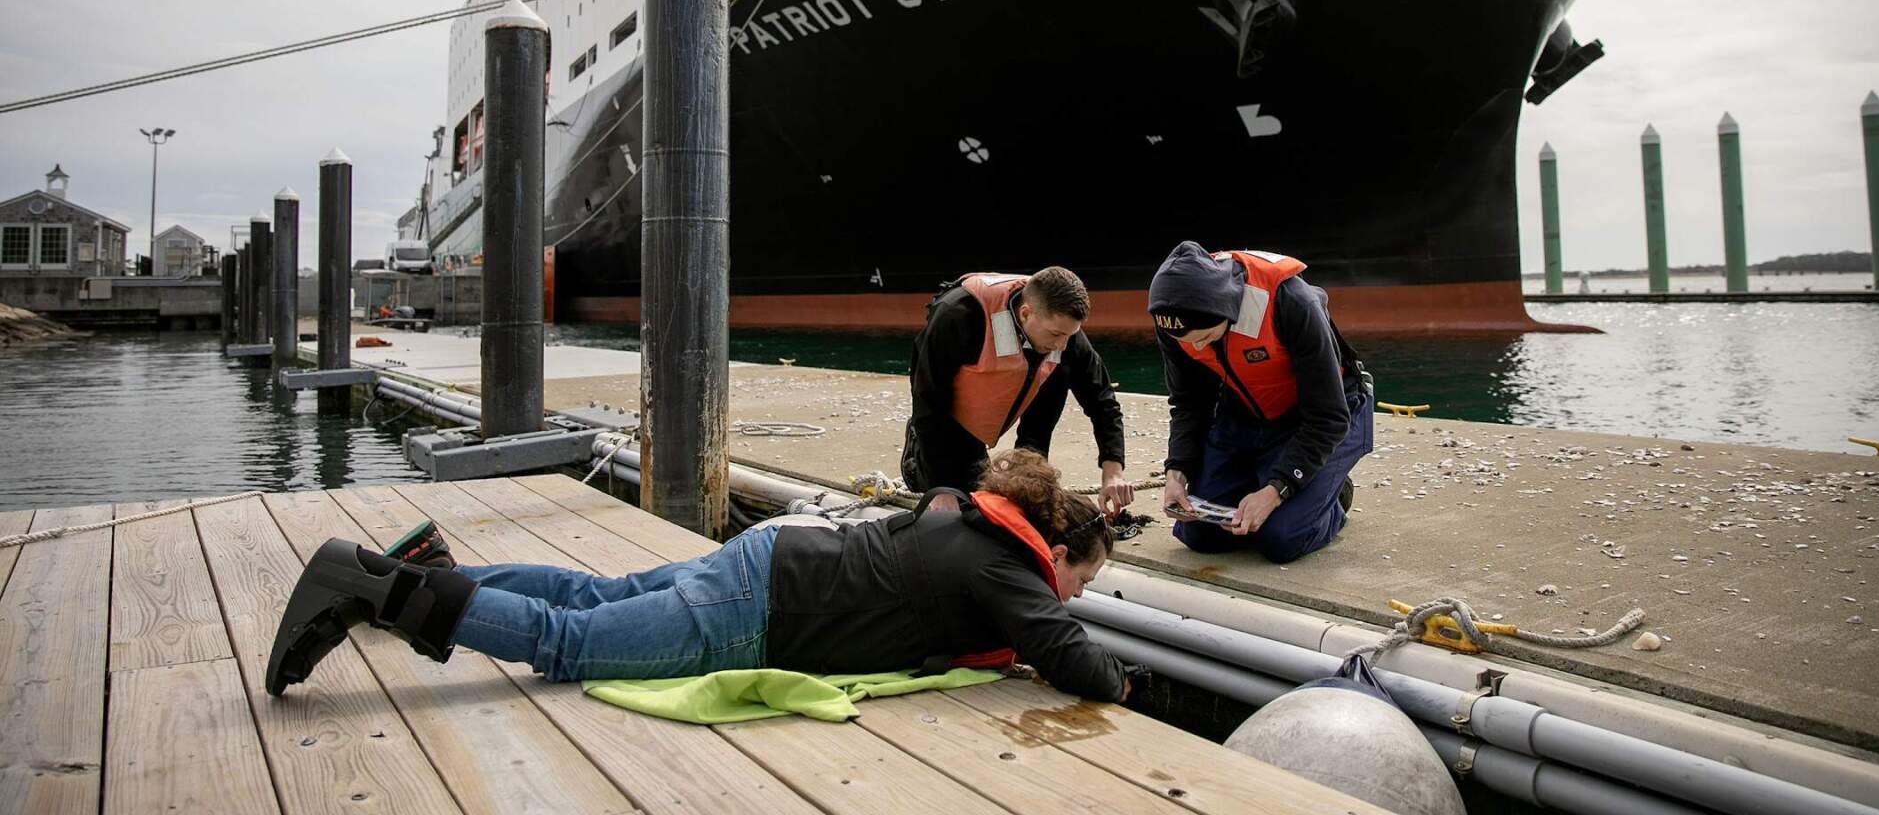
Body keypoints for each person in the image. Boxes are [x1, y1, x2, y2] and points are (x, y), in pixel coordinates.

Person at [264, 450, 1129, 704]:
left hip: (768, 560)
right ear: (1055, 550)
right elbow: (1073, 658)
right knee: (570, 644)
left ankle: (416, 574)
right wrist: (1120, 681)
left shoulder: (970, 518)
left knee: (595, 595)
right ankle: (377, 589)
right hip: (757, 614)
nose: (1075, 596)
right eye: (1081, 580)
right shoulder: (1011, 568)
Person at [1148, 241, 1374, 564]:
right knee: (1199, 532)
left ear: (1225, 309)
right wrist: (1177, 471)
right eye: (1186, 341)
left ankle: (1335, 496)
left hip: (1326, 414)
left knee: (1281, 539)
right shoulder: (1175, 323)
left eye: (1205, 337)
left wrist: (1276, 489)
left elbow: (1329, 416)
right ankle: (1274, 478)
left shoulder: (1292, 302)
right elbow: (1189, 402)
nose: (1196, 348)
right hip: (1247, 411)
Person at [900, 266, 1133, 516]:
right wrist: (941, 488)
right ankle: (917, 458)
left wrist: (1113, 472)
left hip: (1033, 403)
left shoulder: (1063, 330)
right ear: (1025, 314)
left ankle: (1027, 468)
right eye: (1056, 334)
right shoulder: (958, 315)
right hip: (953, 420)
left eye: (1069, 335)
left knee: (1029, 502)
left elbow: (1102, 401)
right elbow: (927, 400)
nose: (1062, 344)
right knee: (964, 503)